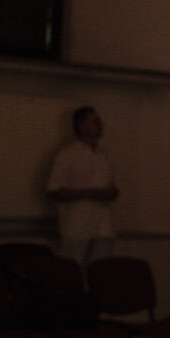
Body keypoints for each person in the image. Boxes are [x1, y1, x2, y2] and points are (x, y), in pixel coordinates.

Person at [46, 106, 118, 266]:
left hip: (103, 227)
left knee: (101, 272)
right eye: (94, 121)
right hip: (77, 227)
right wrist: (88, 193)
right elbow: (53, 192)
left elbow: (112, 187)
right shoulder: (67, 155)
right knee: (72, 271)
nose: (100, 125)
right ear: (81, 126)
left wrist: (111, 193)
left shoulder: (104, 155)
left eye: (99, 121)